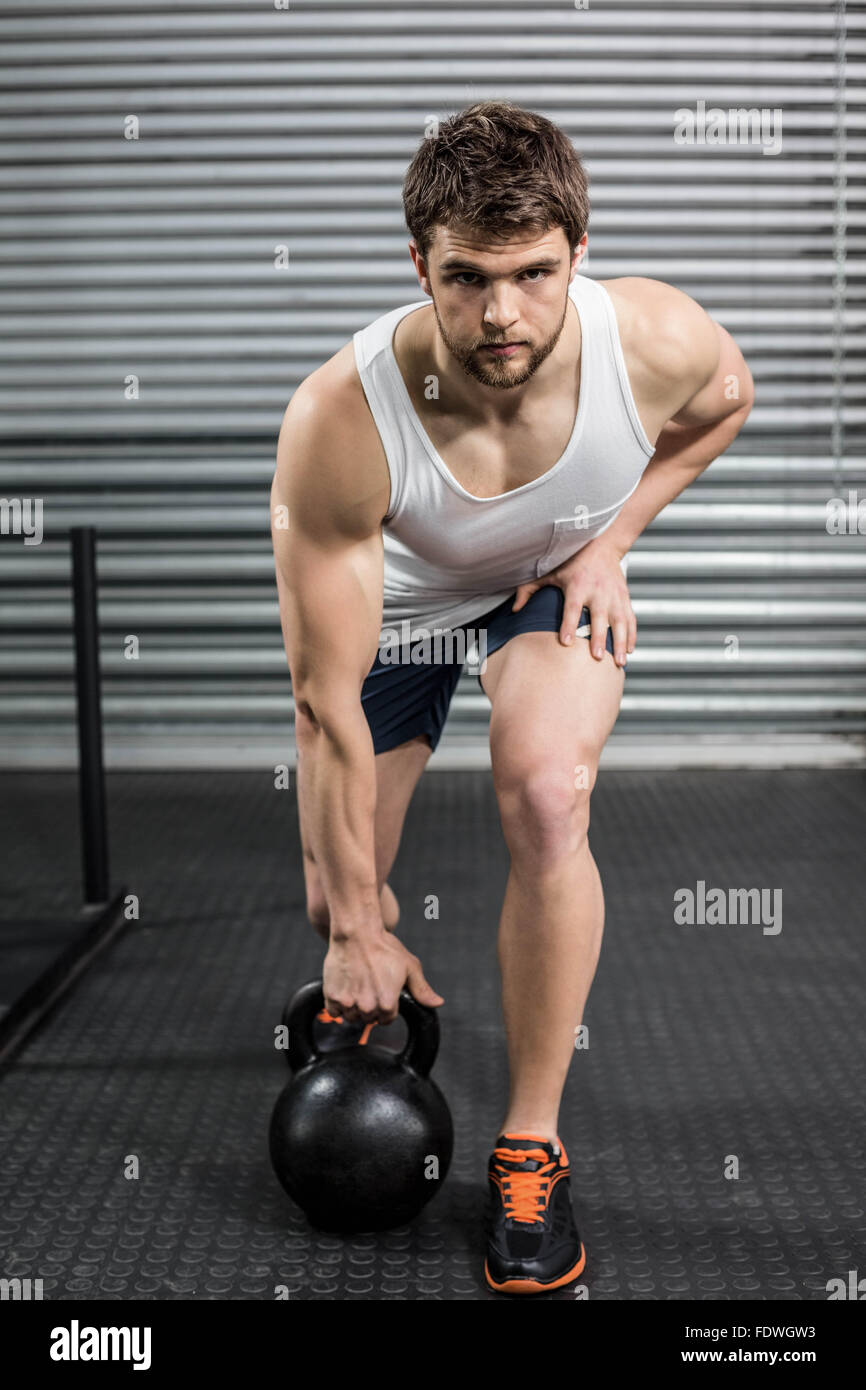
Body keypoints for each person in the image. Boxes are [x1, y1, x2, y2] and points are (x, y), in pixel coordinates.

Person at [270, 100, 754, 1294]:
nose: (502, 314)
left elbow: (726, 401)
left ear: (577, 256)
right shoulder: (342, 420)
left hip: (545, 581)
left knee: (546, 795)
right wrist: (358, 923)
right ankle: (364, 976)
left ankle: (529, 1141)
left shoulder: (650, 336)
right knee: (337, 889)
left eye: (533, 274)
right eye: (467, 278)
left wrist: (609, 545)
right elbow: (325, 702)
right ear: (419, 266)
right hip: (401, 619)